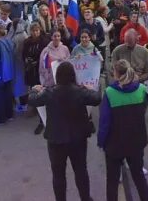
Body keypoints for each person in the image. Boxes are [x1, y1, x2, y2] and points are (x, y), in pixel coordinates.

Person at [28, 61, 102, 201]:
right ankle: (85, 198)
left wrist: (34, 89)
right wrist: (89, 88)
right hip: (78, 139)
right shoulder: (80, 91)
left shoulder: (50, 92)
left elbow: (33, 100)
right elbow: (97, 98)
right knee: (81, 171)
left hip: (56, 139)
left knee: (58, 174)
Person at [98, 59, 148, 201]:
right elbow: (142, 112)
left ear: (116, 74)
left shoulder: (109, 93)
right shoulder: (142, 90)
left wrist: (101, 142)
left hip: (115, 144)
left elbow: (104, 122)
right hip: (136, 141)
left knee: (112, 181)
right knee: (139, 177)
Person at [23, 22, 49, 134]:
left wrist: (37, 62)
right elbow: (23, 54)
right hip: (31, 70)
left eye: (37, 30)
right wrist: (27, 60)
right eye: (33, 31)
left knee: (41, 89)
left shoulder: (44, 41)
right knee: (32, 88)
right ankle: (33, 107)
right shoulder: (27, 42)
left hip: (40, 70)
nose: (35, 33)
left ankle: (42, 111)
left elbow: (46, 56)